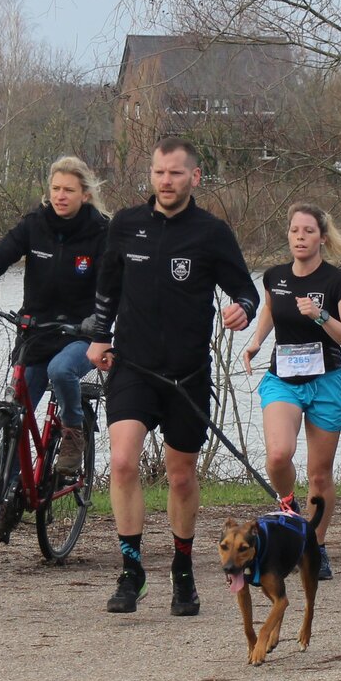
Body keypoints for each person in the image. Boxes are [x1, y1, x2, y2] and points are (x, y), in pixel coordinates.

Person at [82, 139, 259, 616]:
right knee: (122, 463)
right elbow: (106, 289)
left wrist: (243, 308)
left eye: (176, 174)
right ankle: (132, 569)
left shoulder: (211, 233)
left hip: (187, 374)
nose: (165, 181)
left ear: (194, 178)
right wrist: (100, 337)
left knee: (181, 478)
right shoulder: (126, 225)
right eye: (159, 172)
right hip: (132, 368)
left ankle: (183, 571)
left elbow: (246, 289)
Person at [242, 204, 341, 581]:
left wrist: (321, 315)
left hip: (326, 381)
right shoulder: (275, 277)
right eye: (294, 230)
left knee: (319, 474)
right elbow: (270, 310)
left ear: (322, 239)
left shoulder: (337, 283)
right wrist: (255, 342)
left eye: (308, 231)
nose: (300, 237)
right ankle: (289, 507)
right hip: (283, 378)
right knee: (279, 456)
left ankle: (316, 545)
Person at [0, 156, 109, 471]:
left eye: (68, 190)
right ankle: (8, 494)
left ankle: (73, 432)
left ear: (85, 194)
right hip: (36, 333)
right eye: (55, 188)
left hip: (81, 334)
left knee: (61, 370)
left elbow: (118, 283)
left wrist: (101, 318)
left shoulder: (101, 233)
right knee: (17, 413)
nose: (60, 195)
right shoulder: (34, 225)